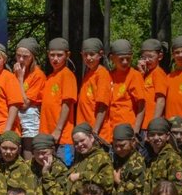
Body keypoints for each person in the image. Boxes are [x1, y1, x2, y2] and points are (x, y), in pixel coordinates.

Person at [39, 38, 77, 166]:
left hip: (63, 137)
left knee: (63, 169)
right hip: (48, 137)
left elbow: (67, 104)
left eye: (59, 55)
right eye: (52, 55)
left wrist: (58, 130)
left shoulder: (67, 75)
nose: (55, 59)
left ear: (67, 55)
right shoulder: (50, 77)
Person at [67, 123, 113, 195]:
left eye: (82, 140)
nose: (79, 145)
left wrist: (82, 175)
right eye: (76, 143)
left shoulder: (101, 157)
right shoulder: (80, 159)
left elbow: (108, 183)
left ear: (91, 138)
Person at [143, 117, 182, 195]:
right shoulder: (153, 159)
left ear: (167, 136)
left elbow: (179, 193)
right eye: (152, 135)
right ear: (147, 137)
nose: (156, 138)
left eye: (160, 134)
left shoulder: (172, 159)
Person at [107, 39, 146, 139]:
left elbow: (142, 105)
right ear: (112, 58)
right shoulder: (109, 75)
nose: (125, 62)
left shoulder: (134, 75)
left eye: (128, 59)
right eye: (121, 59)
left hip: (127, 130)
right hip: (110, 130)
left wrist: (136, 130)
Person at [12, 37, 45, 155]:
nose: (21, 59)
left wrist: (20, 79)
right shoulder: (17, 70)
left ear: (33, 57)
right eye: (18, 55)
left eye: (25, 56)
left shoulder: (38, 74)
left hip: (30, 115)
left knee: (28, 148)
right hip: (16, 114)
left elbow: (25, 103)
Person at [111, 123, 147, 195]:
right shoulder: (116, 159)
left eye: (122, 145)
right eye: (115, 146)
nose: (118, 149)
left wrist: (118, 182)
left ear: (133, 142)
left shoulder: (137, 163)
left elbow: (137, 194)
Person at [77, 38, 112, 140]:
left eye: (92, 54)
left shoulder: (102, 73)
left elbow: (103, 105)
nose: (88, 58)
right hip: (85, 131)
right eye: (85, 54)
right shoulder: (88, 73)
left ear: (100, 54)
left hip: (96, 133)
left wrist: (95, 130)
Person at [138, 38, 168, 130]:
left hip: (151, 126)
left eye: (150, 57)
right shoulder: (146, 74)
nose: (147, 60)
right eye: (144, 57)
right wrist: (141, 74)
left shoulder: (158, 73)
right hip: (142, 124)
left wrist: (154, 125)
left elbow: (161, 101)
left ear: (160, 56)